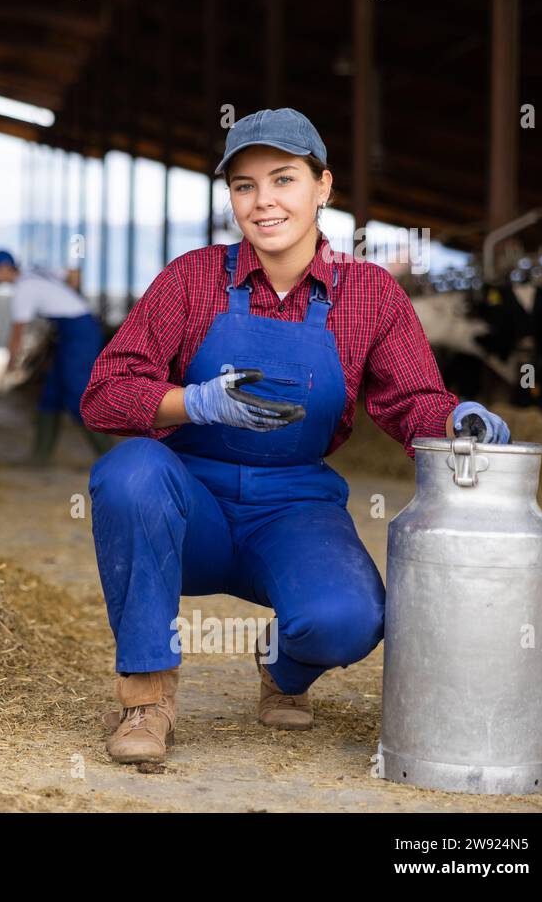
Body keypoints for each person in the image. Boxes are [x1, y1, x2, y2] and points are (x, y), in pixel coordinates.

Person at [78, 108, 511, 765]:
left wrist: (456, 422)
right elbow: (104, 395)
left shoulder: (369, 295)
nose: (264, 201)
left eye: (283, 179)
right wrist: (192, 403)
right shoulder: (191, 279)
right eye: (244, 186)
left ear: (323, 187)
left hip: (294, 507)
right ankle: (147, 700)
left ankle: (283, 669)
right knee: (129, 471)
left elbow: (412, 401)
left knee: (349, 621)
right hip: (188, 504)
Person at [0, 250, 112, 463]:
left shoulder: (23, 291)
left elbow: (17, 335)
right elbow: (74, 274)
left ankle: (108, 456)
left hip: (80, 333)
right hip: (73, 329)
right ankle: (39, 458)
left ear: (4, 268)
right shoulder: (35, 272)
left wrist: (11, 365)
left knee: (77, 393)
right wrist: (66, 300)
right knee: (51, 394)